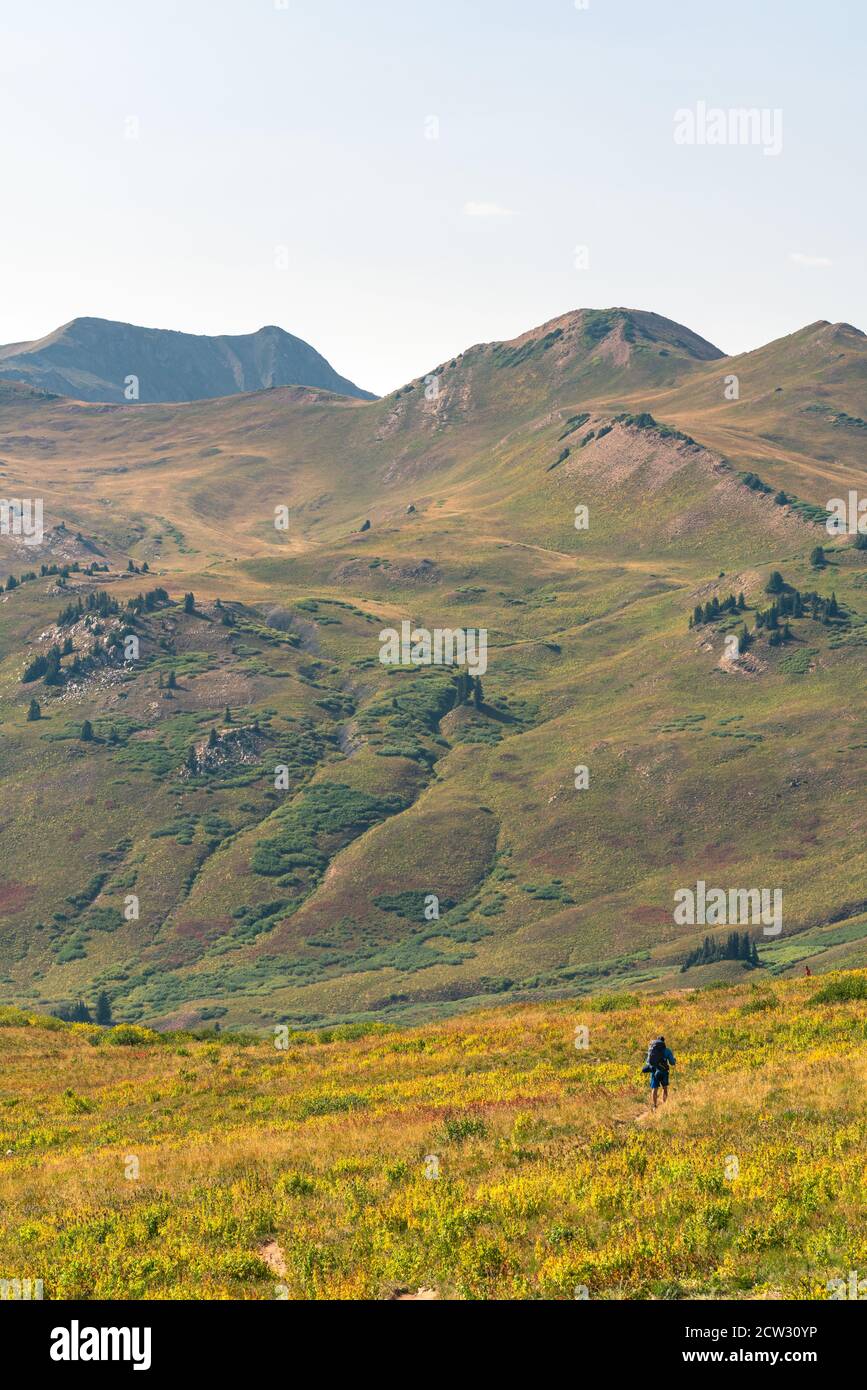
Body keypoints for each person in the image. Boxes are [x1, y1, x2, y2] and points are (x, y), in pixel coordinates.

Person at [642, 1035, 676, 1108]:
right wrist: (674, 1060)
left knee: (654, 1088)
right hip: (663, 1071)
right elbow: (672, 1063)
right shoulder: (667, 1050)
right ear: (663, 1042)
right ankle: (664, 1105)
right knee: (665, 1088)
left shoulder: (652, 1050)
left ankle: (654, 1106)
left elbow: (648, 1062)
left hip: (653, 1070)